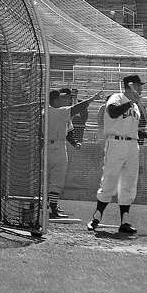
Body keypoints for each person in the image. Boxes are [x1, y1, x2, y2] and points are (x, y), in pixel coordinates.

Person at [88, 74, 147, 236]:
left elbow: (130, 128)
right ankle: (96, 217)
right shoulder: (117, 97)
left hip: (132, 144)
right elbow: (112, 112)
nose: (141, 88)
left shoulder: (136, 106)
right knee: (110, 179)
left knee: (129, 182)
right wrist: (130, 102)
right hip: (115, 143)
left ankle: (125, 221)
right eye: (138, 85)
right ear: (130, 85)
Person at [46, 87, 93, 219]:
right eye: (61, 98)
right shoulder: (59, 112)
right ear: (54, 100)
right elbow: (76, 109)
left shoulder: (52, 111)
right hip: (56, 148)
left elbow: (69, 132)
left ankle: (48, 206)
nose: (63, 99)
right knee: (56, 179)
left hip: (49, 146)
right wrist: (91, 100)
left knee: (47, 179)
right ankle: (52, 208)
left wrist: (74, 143)